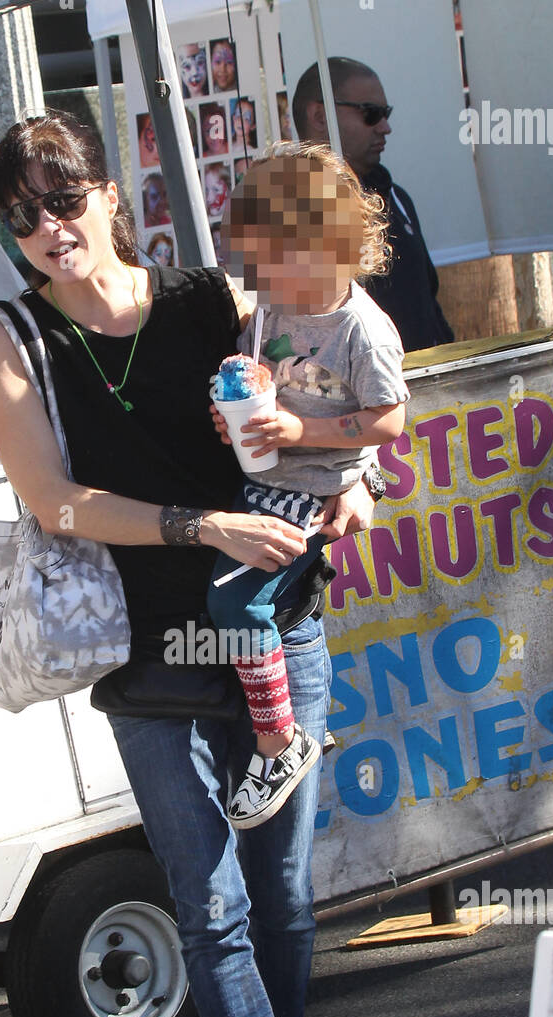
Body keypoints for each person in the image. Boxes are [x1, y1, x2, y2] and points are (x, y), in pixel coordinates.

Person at [0, 113, 380, 1017]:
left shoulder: (207, 302)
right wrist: (204, 527)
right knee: (207, 901)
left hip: (275, 620)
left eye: (65, 201)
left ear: (110, 193)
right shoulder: (5, 335)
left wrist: (358, 477)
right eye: (22, 217)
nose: (49, 231)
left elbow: (325, 397)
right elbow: (55, 501)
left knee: (283, 897)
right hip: (146, 649)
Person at [209, 145, 407, 828]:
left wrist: (299, 433)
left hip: (307, 486)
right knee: (235, 606)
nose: (258, 271)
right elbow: (253, 376)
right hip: (259, 477)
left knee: (232, 603)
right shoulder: (270, 309)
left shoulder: (360, 328)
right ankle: (288, 725)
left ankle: (277, 742)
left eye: (273, 253)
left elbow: (388, 419)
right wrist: (232, 402)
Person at [293, 57, 454, 353]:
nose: (385, 126)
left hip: (427, 387)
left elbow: (427, 304)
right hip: (357, 395)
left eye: (386, 113)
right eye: (371, 113)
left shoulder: (396, 197)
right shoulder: (289, 211)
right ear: (319, 116)